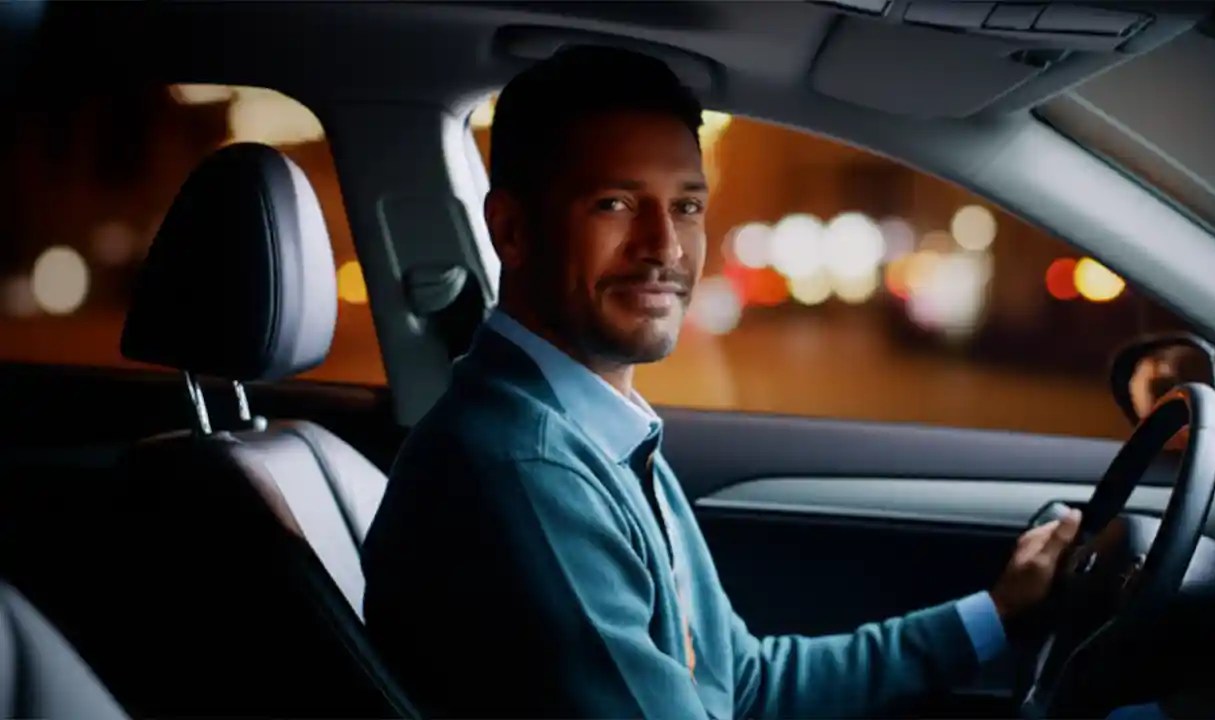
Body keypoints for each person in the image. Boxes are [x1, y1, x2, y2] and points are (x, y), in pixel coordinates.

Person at [362, 45, 1102, 718]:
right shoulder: (527, 467)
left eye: (686, 207)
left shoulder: (602, 430)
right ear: (513, 230)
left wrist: (995, 616)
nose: (664, 247)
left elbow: (742, 685)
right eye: (615, 204)